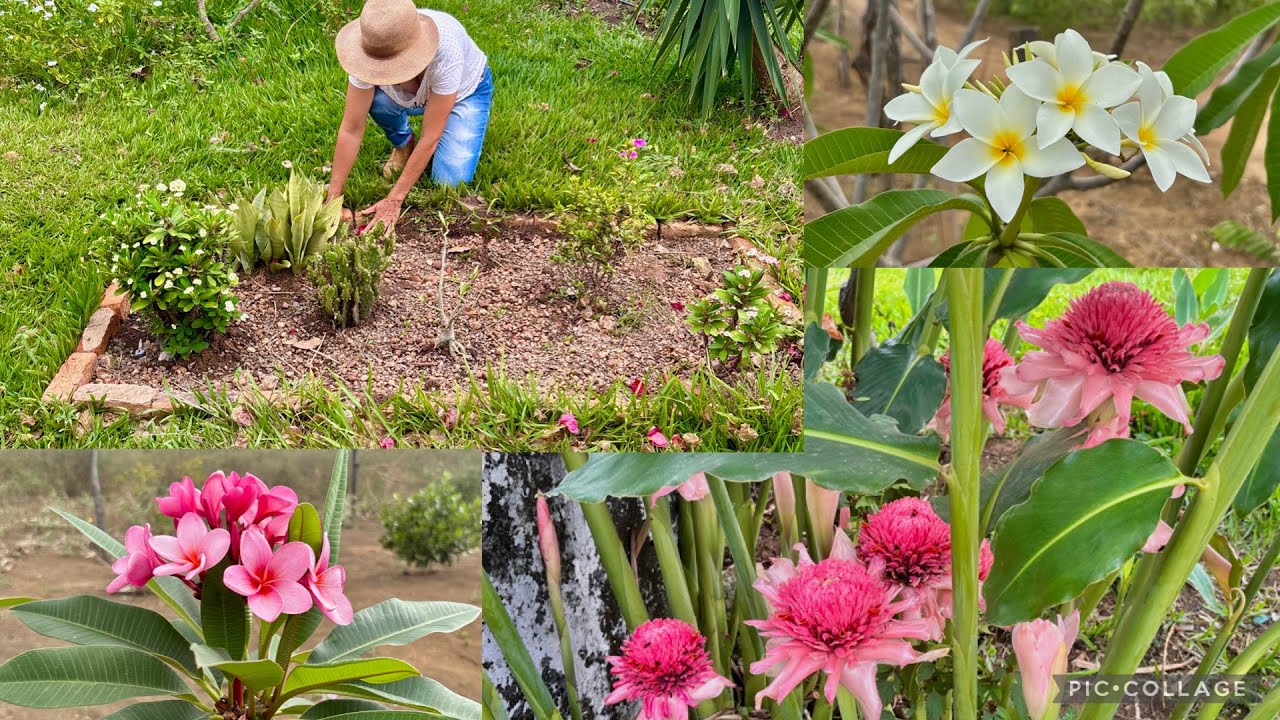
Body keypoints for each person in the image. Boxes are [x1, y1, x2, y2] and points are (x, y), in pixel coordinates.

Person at [328, 0, 493, 230]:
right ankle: (404, 143)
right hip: (410, 96)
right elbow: (351, 128)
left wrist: (394, 200)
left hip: (465, 93)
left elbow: (430, 136)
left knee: (449, 182)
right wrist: (333, 198)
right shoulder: (369, 47)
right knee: (377, 102)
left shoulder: (447, 50)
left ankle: (451, 123)